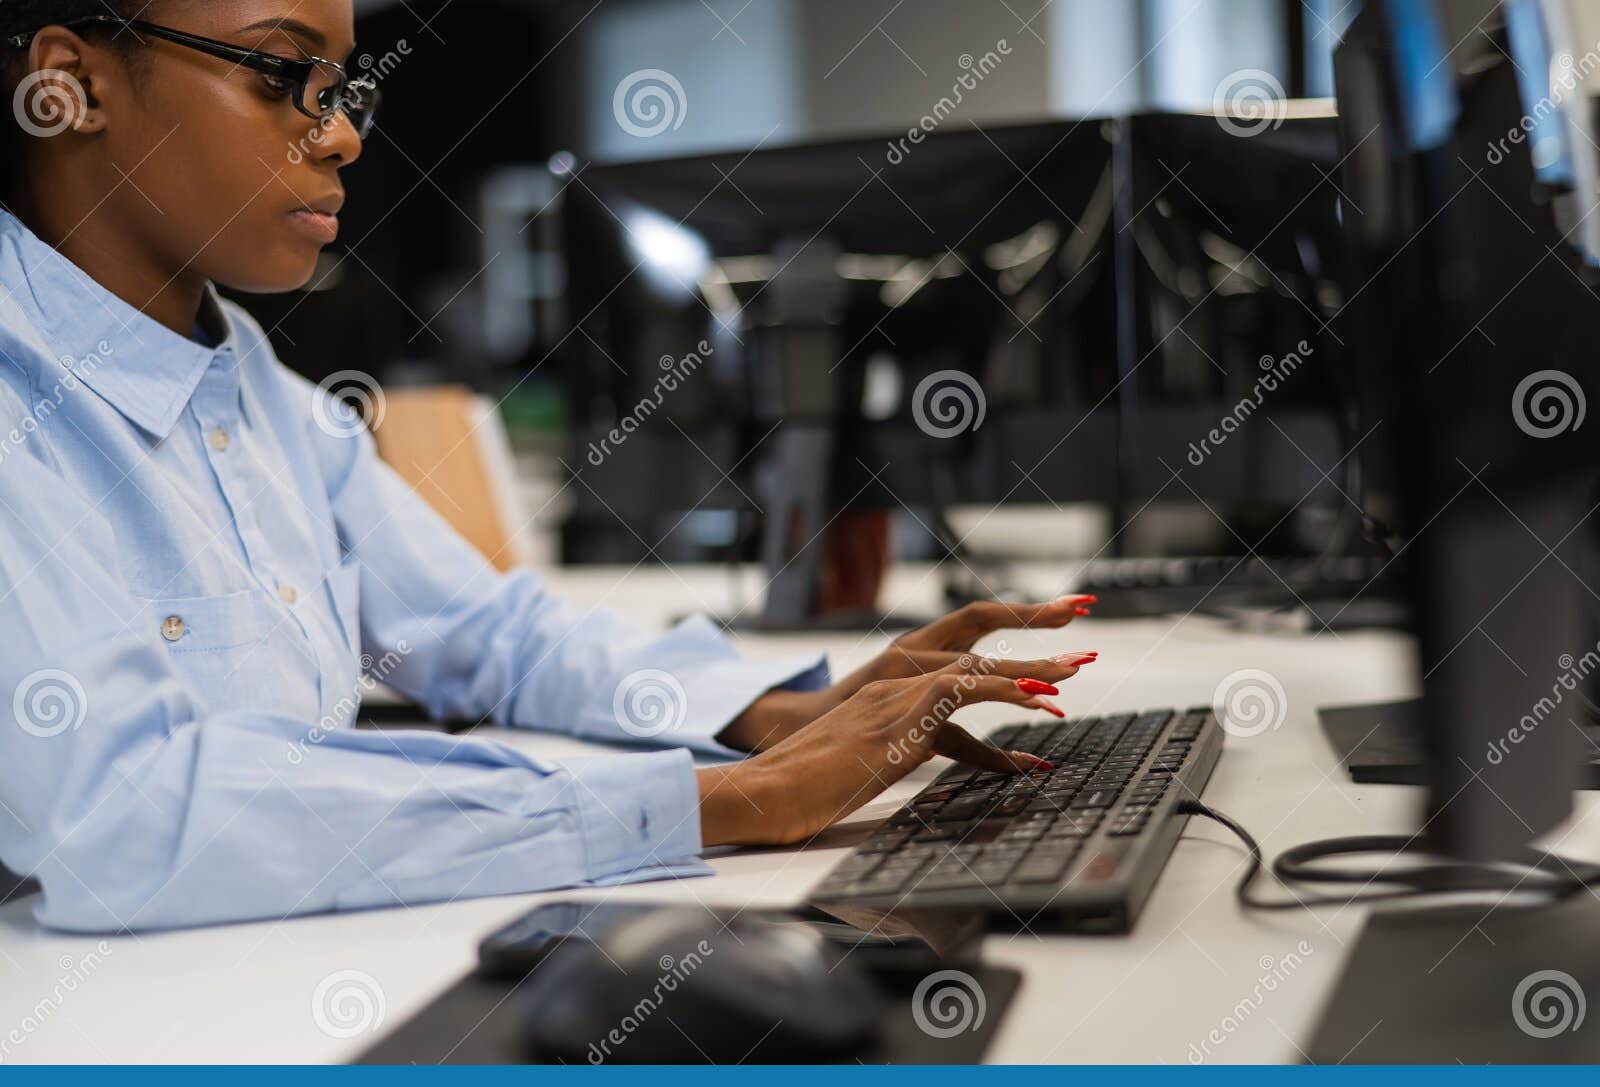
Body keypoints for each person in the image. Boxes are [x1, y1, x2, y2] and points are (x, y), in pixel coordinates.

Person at [0, 0, 1097, 932]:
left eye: (344, 89)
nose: (339, 137)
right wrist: (723, 801)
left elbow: (489, 634)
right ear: (73, 86)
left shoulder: (247, 382)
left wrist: (765, 713)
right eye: (286, 76)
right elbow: (131, 816)